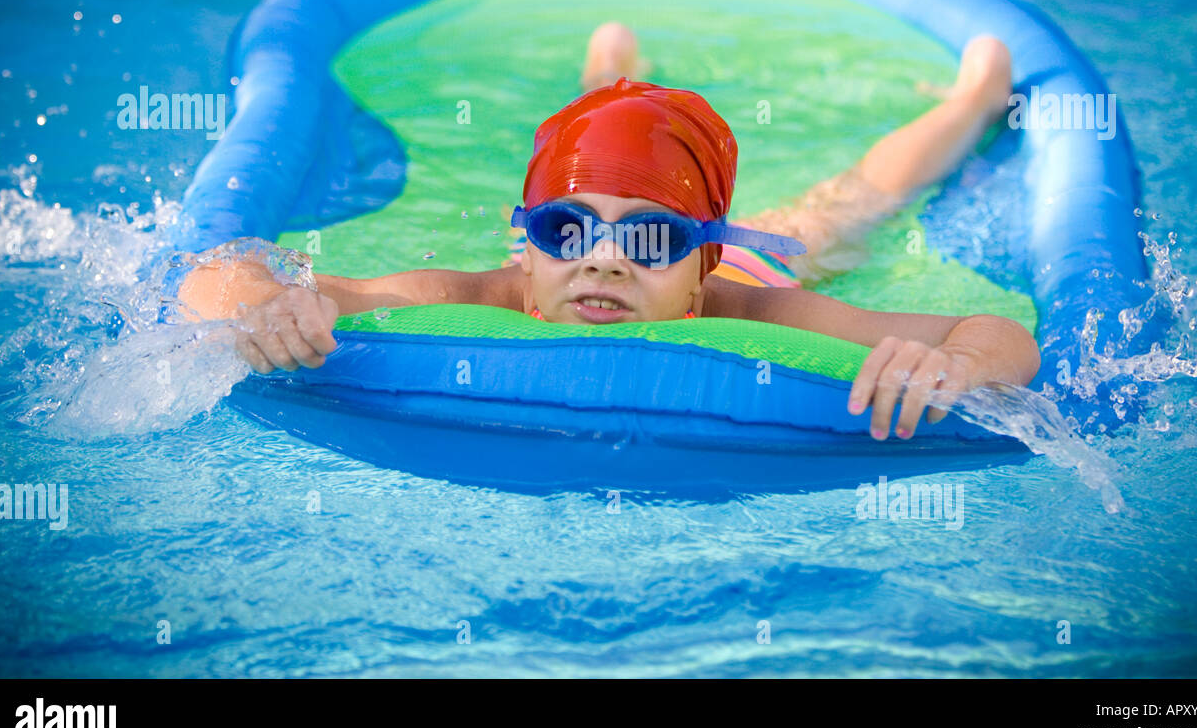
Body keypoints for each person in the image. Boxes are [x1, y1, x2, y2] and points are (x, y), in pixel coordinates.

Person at [180, 22, 1039, 441]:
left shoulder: (753, 310)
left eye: (652, 240)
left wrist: (954, 366)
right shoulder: (479, 293)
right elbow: (215, 274)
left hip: (765, 254)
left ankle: (972, 99)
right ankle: (610, 75)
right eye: (566, 228)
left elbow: (999, 337)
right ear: (529, 244)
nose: (603, 258)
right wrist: (263, 305)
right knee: (598, 138)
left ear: (699, 268)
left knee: (855, 201)